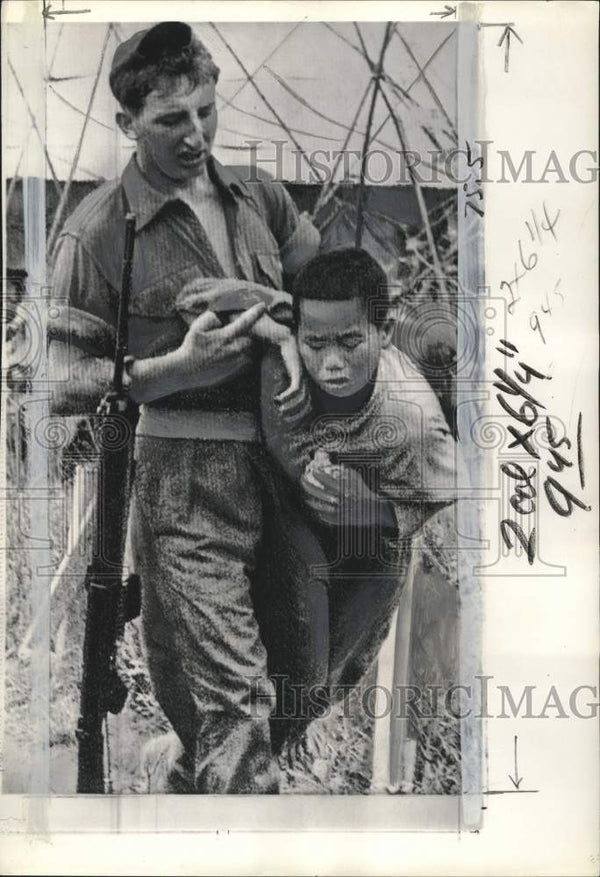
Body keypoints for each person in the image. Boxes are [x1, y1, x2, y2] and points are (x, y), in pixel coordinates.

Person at [48, 21, 319, 793]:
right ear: (127, 122)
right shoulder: (100, 231)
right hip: (185, 477)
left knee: (302, 678)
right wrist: (174, 368)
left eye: (206, 110)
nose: (197, 135)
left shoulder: (261, 198)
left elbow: (338, 295)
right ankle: (234, 807)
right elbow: (57, 379)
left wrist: (283, 319)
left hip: (289, 464)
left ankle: (184, 784)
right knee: (235, 703)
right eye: (171, 119)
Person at [256, 248, 458, 746]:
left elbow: (445, 492)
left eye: (350, 343)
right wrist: (274, 334)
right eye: (315, 344)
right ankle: (231, 762)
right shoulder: (281, 360)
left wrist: (369, 508)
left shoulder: (413, 416)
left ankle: (212, 761)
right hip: (289, 518)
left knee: (324, 688)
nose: (331, 364)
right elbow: (198, 297)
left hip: (374, 535)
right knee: (299, 673)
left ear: (383, 332)